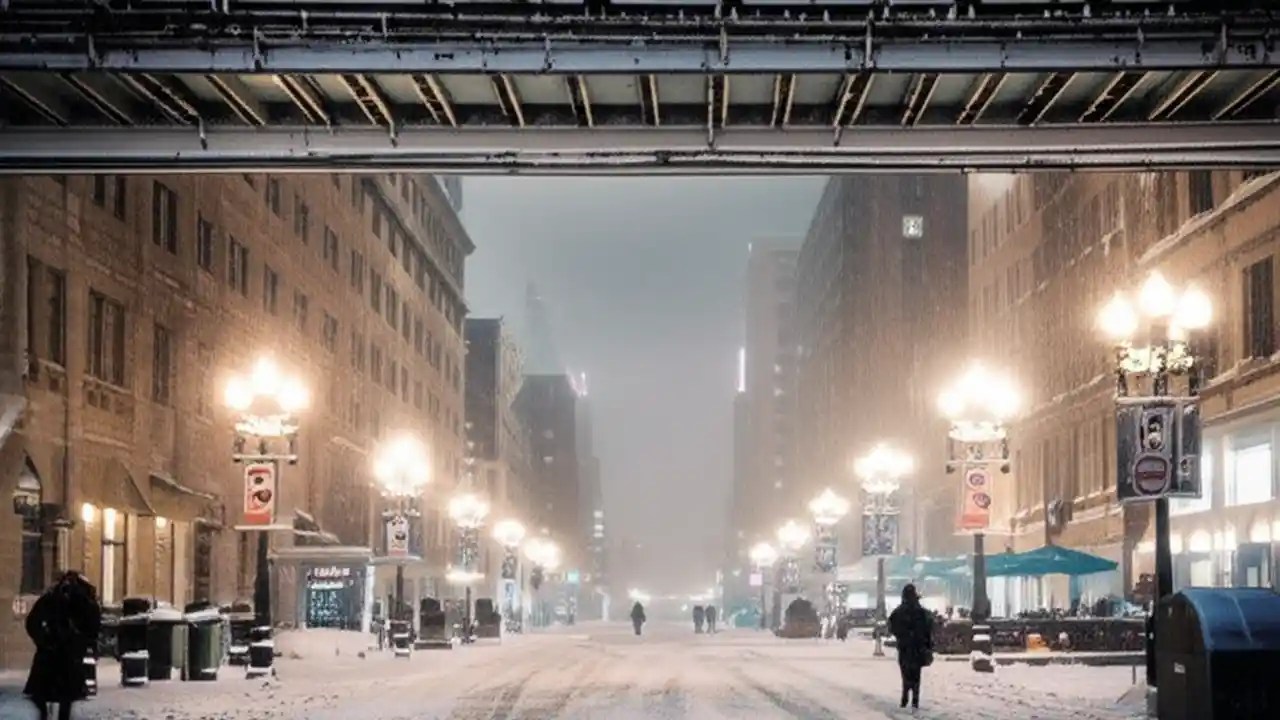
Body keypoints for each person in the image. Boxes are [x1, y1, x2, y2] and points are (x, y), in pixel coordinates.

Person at [25, 571, 101, 720]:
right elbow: (93, 624)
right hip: (64, 653)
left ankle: (45, 715)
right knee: (64, 697)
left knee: (45, 695)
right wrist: (84, 642)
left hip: (54, 652)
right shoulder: (80, 598)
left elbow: (32, 622)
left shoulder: (53, 597)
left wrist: (43, 639)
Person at [888, 583, 933, 711]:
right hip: (918, 647)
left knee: (905, 673)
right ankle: (915, 700)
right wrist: (927, 645)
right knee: (916, 674)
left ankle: (905, 698)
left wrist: (901, 636)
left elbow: (892, 627)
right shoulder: (922, 612)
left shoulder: (898, 612)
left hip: (905, 647)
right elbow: (928, 629)